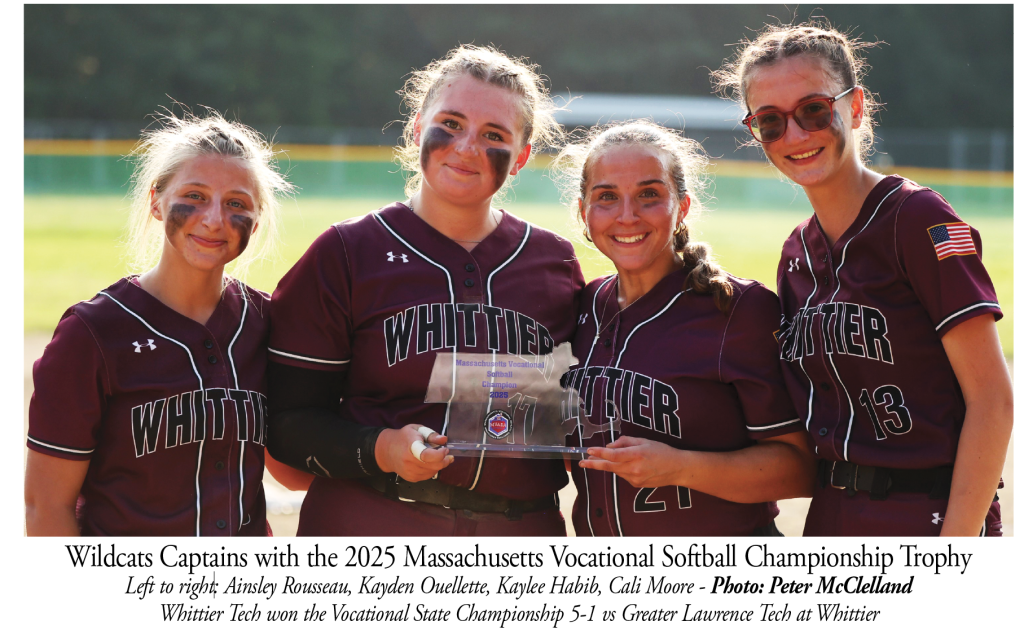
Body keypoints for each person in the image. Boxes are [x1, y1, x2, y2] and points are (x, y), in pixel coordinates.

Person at [266, 45, 584, 536]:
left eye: (494, 135)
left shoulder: (553, 260)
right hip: (373, 529)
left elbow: (568, 416)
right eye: (451, 123)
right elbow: (286, 427)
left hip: (520, 535)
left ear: (521, 157)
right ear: (418, 127)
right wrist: (380, 447)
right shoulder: (348, 251)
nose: (466, 146)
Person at [713, 22, 1012, 536]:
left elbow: (993, 401)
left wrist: (955, 552)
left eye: (813, 110)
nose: (796, 135)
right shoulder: (795, 255)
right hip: (833, 515)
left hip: (929, 510)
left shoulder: (916, 219)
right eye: (770, 122)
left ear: (855, 107)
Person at [25, 110, 294, 536]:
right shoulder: (92, 333)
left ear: (256, 221)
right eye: (195, 195)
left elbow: (292, 465)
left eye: (236, 204)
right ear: (156, 201)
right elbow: (46, 508)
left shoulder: (268, 323)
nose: (214, 219)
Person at [553, 121, 815, 536]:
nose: (627, 215)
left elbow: (801, 469)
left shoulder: (738, 309)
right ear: (584, 212)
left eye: (649, 195)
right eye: (606, 197)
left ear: (682, 208)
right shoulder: (581, 306)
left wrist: (680, 467)